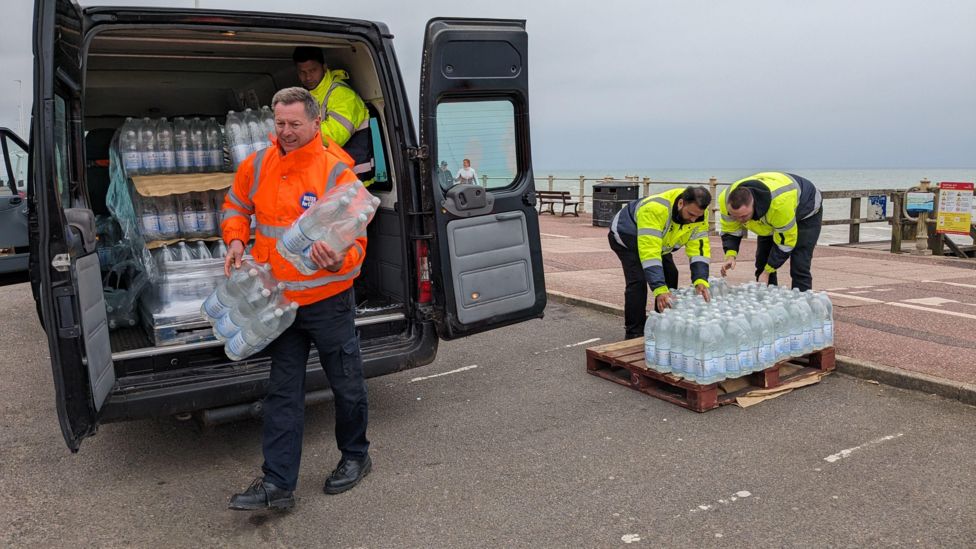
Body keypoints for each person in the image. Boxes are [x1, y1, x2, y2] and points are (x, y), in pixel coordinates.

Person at [223, 87, 371, 511]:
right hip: (280, 302)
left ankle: (357, 456)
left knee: (346, 384)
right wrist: (235, 240)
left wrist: (338, 256)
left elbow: (359, 242)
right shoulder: (257, 164)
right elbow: (236, 205)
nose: (285, 132)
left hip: (328, 301)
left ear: (314, 122)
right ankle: (277, 484)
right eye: (280, 123)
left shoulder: (336, 172)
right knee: (282, 392)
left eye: (294, 124)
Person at [608, 186, 712, 340]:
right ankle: (634, 333)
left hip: (660, 242)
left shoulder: (699, 215)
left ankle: (662, 323)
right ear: (681, 203)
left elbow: (699, 248)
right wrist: (658, 288)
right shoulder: (655, 210)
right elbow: (649, 252)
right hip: (627, 236)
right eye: (690, 214)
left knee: (671, 273)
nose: (693, 219)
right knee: (638, 281)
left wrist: (700, 279)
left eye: (697, 216)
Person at [718, 172, 823, 292]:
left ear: (754, 205)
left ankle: (803, 302)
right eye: (734, 216)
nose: (739, 221)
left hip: (806, 209)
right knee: (762, 261)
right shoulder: (725, 199)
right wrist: (730, 256)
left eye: (743, 216)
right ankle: (766, 298)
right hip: (771, 214)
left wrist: (768, 271)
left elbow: (786, 244)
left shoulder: (779, 206)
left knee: (799, 264)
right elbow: (730, 230)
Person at [293, 46, 375, 187]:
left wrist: (296, 133)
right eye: (302, 72)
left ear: (324, 68)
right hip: (332, 180)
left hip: (353, 182)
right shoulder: (308, 97)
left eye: (312, 70)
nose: (307, 77)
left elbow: (335, 136)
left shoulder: (343, 95)